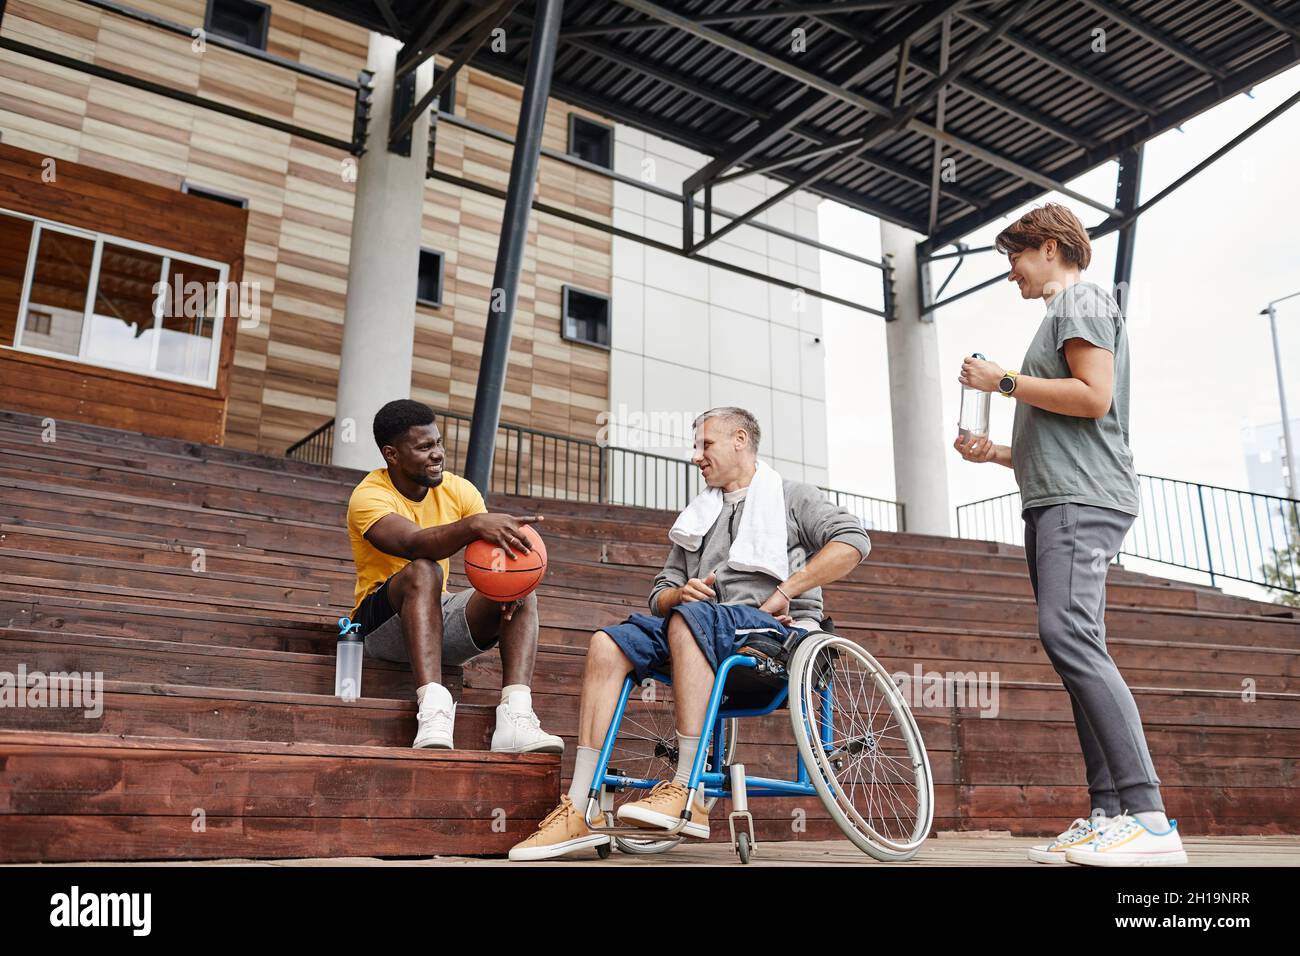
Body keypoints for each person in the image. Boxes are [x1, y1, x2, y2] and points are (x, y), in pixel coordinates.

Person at [508, 406, 872, 861]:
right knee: (608, 642)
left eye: (706, 445)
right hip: (700, 625)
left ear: (740, 439)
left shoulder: (793, 497)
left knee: (690, 621)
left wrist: (787, 590)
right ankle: (581, 806)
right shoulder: (699, 515)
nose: (696, 457)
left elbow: (854, 541)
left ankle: (686, 790)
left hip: (771, 632)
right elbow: (658, 595)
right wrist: (680, 593)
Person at [954, 203, 1186, 866]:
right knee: (1074, 643)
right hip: (1057, 497)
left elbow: (1093, 398)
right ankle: (1109, 812)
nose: (1011, 274)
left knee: (1067, 635)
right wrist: (996, 453)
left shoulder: (1079, 301)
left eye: (1016, 258)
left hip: (1082, 502)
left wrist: (1002, 380)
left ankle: (1148, 817)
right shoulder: (1064, 312)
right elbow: (1061, 427)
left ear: (1052, 247)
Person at [345, 398, 563, 754]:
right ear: (392, 454)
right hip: (378, 628)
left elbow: (495, 554)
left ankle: (516, 716)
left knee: (521, 583)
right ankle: (432, 707)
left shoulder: (459, 490)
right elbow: (414, 543)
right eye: (424, 446)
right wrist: (475, 523)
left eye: (439, 443)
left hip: (435, 619)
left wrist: (506, 587)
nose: (437, 454)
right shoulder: (369, 496)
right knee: (423, 569)